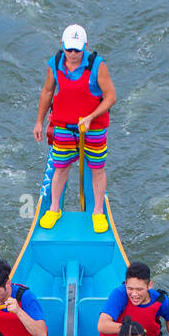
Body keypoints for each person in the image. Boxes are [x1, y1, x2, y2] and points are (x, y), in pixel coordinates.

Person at [33, 24, 116, 234]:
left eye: (77, 50)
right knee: (60, 167)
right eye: (69, 49)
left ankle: (97, 212)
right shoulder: (56, 64)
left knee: (97, 169)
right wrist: (39, 122)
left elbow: (111, 97)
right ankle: (54, 209)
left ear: (85, 47)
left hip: (93, 129)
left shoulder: (98, 65)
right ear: (63, 46)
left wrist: (91, 117)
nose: (72, 54)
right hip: (63, 127)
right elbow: (47, 92)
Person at [94, 261, 169, 336]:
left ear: (149, 285)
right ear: (125, 283)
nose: (134, 294)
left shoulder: (160, 300)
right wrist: (132, 329)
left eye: (139, 289)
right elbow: (102, 325)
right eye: (130, 288)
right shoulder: (119, 294)